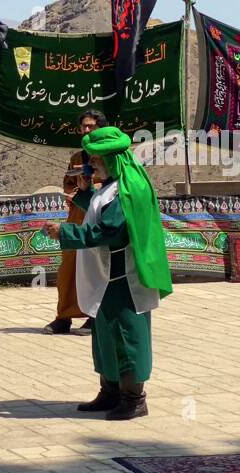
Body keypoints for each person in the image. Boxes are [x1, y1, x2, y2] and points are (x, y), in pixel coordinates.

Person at [44, 126, 173, 420]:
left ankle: (133, 398)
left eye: (96, 161)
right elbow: (100, 210)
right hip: (107, 278)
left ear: (112, 160)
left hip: (124, 279)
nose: (92, 166)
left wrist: (65, 232)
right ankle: (111, 391)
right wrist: (85, 192)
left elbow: (110, 229)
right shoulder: (113, 185)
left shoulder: (131, 188)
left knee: (126, 336)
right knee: (105, 335)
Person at [45, 109, 107, 335]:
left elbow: (117, 182)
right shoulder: (77, 158)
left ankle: (95, 315)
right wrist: (73, 193)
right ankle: (64, 317)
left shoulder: (114, 155)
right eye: (84, 127)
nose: (87, 130)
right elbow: (69, 183)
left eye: (92, 126)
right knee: (68, 269)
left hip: (101, 217)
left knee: (97, 268)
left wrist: (96, 188)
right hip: (77, 216)